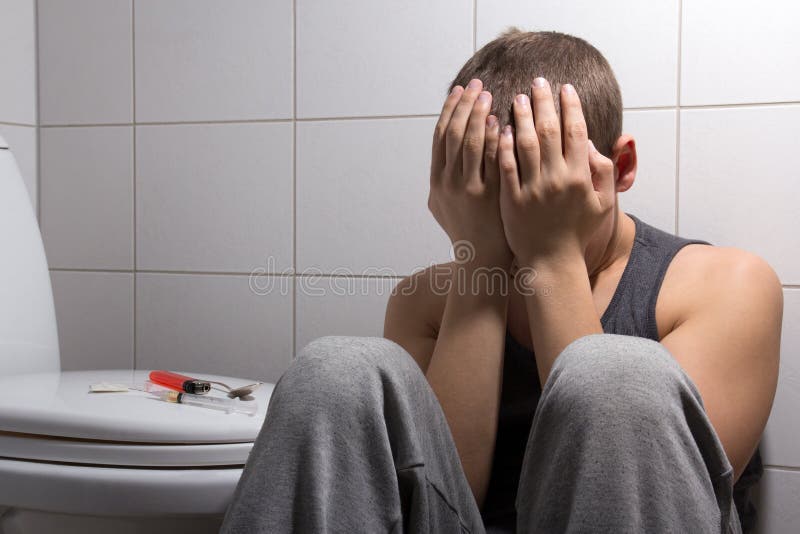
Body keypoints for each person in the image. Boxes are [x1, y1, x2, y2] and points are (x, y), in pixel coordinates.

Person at [220, 28, 782, 533]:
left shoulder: (727, 285)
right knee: (335, 368)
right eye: (495, 201)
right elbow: (441, 489)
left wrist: (551, 253)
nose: (516, 225)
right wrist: (479, 262)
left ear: (621, 169)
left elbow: (664, 497)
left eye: (540, 192)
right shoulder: (426, 302)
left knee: (613, 372)